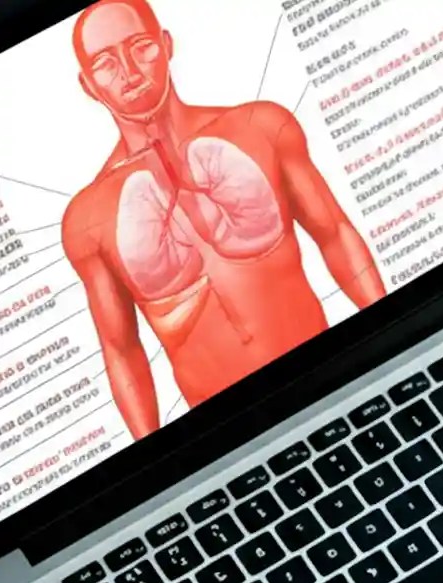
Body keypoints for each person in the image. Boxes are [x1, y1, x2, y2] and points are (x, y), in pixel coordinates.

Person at [62, 0, 387, 441]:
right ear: (86, 85)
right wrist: (154, 463)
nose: (129, 72)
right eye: (104, 62)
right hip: (224, 436)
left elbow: (335, 234)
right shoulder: (88, 217)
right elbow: (123, 352)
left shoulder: (261, 127)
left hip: (330, 385)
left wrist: (391, 343)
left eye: (140, 47)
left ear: (166, 44)